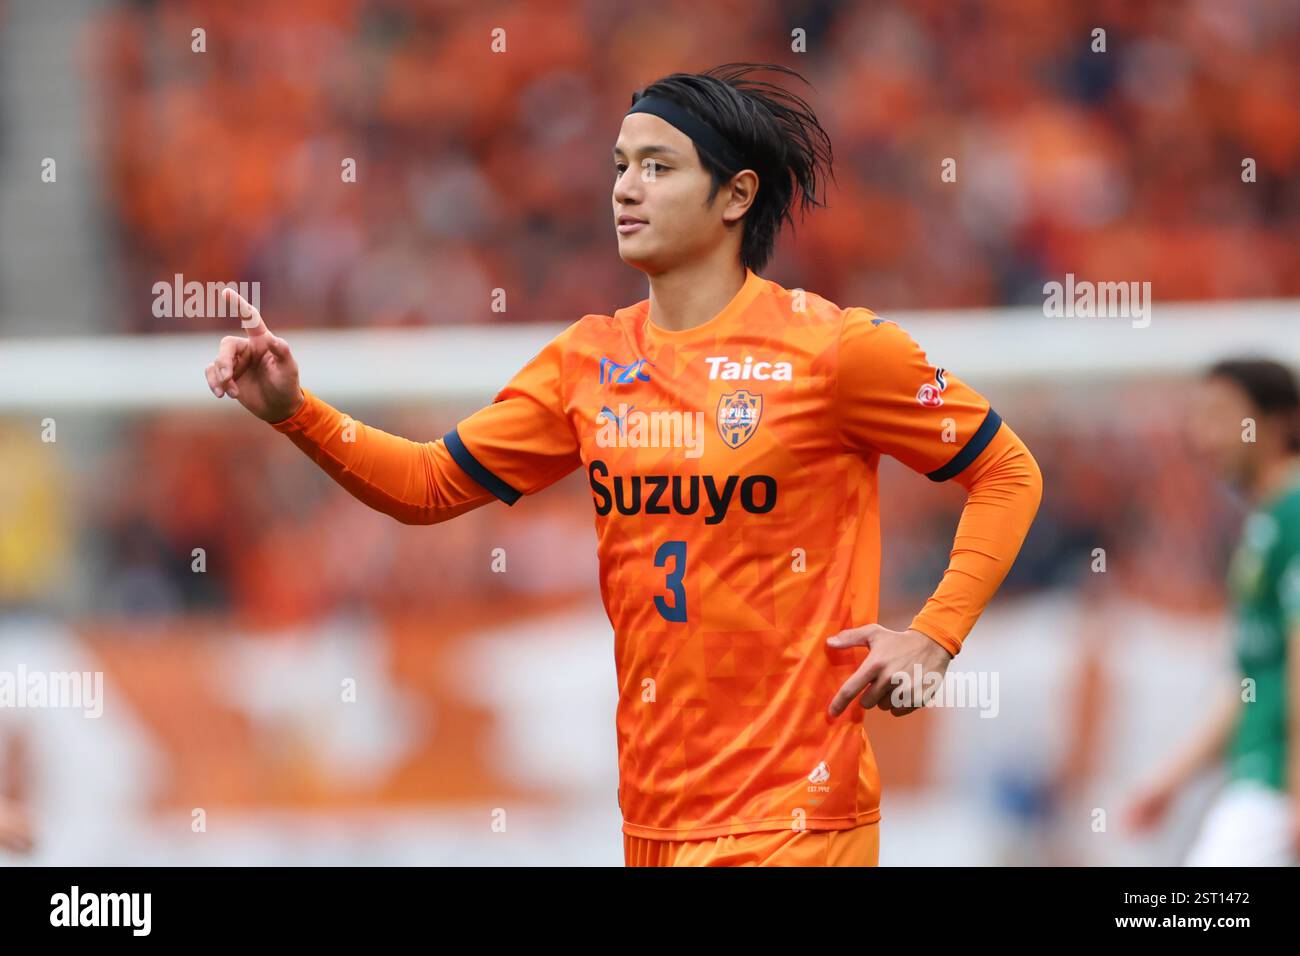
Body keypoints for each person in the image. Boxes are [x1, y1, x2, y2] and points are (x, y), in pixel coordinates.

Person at [203, 63, 1042, 866]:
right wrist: (295, 414)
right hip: (657, 814)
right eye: (619, 166)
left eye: (657, 166)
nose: (625, 187)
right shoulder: (591, 362)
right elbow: (428, 485)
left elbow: (1007, 472)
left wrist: (935, 637)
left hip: (796, 815)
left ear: (735, 194)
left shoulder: (835, 351)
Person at [1125, 359, 1300, 866]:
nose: (1205, 436)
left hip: (1274, 785)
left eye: (1222, 416)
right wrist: (1171, 778)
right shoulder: (1265, 524)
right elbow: (1254, 676)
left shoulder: (1294, 515)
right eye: (1199, 419)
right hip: (1260, 778)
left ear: (1281, 420)